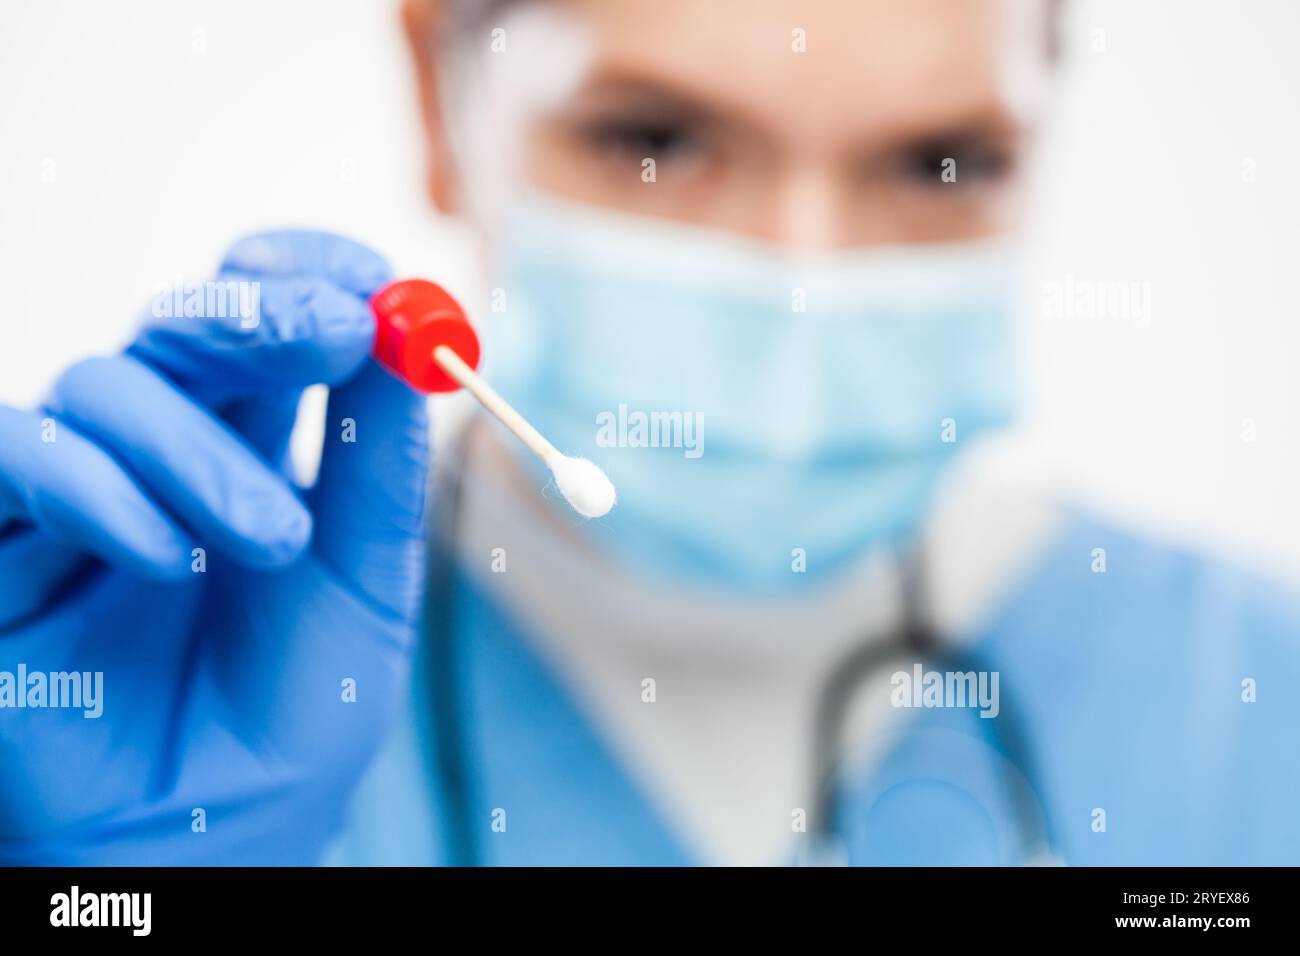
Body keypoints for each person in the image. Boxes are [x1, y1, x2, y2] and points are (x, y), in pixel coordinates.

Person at [1, 0, 1297, 866]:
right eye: (658, 142)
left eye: (937, 163)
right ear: (437, 92)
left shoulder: (1242, 702)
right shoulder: (179, 690)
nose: (807, 284)